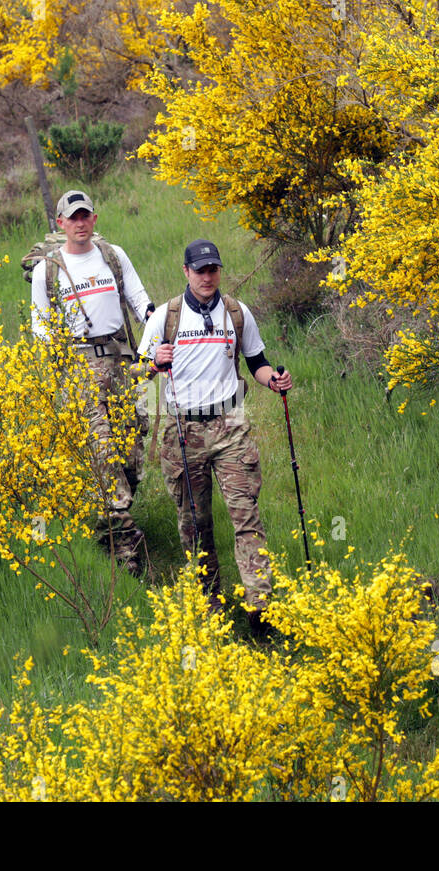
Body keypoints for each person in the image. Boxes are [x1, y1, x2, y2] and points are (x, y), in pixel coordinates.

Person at [138, 238, 293, 637]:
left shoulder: (237, 313)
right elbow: (137, 370)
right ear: (186, 272)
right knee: (195, 523)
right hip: (182, 432)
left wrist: (273, 381)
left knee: (246, 515)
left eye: (213, 270)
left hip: (230, 427)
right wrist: (154, 363)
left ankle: (261, 610)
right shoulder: (165, 318)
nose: (207, 277)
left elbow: (256, 362)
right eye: (200, 270)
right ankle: (210, 606)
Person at [30, 189, 155, 576]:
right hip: (79, 366)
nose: (80, 223)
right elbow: (40, 326)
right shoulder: (47, 270)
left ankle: (113, 514)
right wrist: (61, 364)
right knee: (102, 450)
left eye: (85, 215)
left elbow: (140, 301)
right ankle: (123, 545)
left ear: (94, 219)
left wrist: (156, 343)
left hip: (122, 362)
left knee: (132, 452)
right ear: (61, 223)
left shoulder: (113, 256)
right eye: (73, 217)